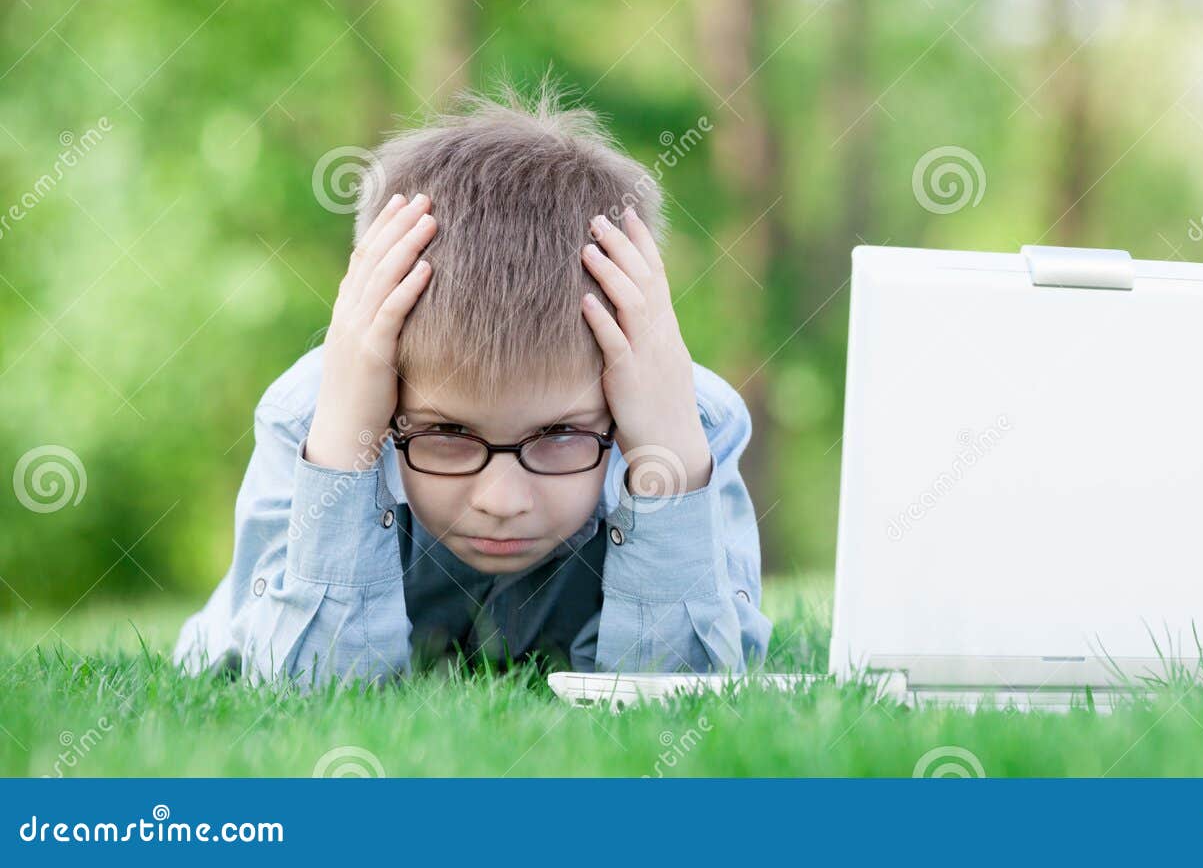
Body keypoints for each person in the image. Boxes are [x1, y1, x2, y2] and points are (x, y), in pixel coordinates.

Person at [173, 86, 770, 688]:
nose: (502, 502)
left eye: (561, 434)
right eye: (447, 432)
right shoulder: (309, 415)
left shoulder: (694, 420)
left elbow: (683, 689)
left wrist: (666, 458)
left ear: (618, 400)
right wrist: (343, 450)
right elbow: (312, 688)